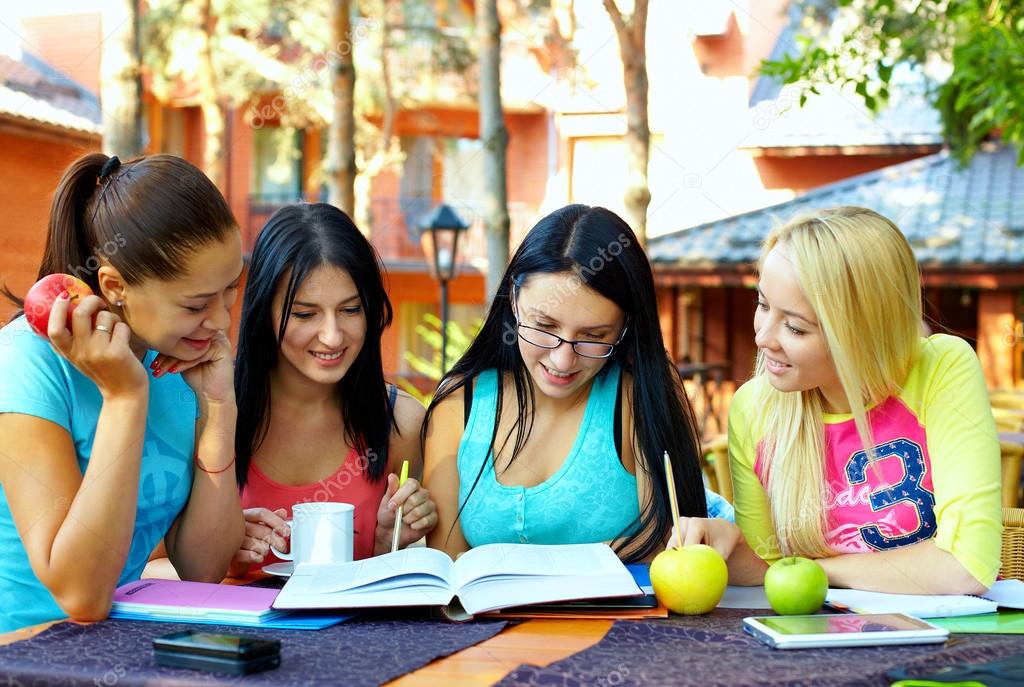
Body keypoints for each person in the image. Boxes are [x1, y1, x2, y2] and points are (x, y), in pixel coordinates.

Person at [677, 206, 1001, 594]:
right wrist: (728, 546)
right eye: (762, 305)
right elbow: (771, 573)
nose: (763, 337)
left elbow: (967, 568)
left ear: (860, 334)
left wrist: (818, 570)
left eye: (795, 327)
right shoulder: (754, 408)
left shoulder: (942, 368)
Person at [0, 153, 246, 632]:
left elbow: (204, 568)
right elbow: (82, 596)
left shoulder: (175, 359)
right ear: (115, 286)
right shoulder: (26, 366)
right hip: (21, 654)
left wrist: (219, 409)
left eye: (230, 290)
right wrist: (125, 398)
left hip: (118, 647)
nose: (220, 321)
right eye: (196, 304)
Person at [422, 204, 733, 563]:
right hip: (491, 621)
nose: (562, 360)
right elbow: (448, 576)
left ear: (626, 326)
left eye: (593, 336)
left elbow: (673, 549)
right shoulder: (459, 403)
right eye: (544, 327)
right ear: (514, 300)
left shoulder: (639, 394)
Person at [229, 203, 436, 574]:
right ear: (264, 313)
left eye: (351, 310)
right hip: (233, 632)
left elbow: (385, 592)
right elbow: (142, 571)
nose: (332, 336)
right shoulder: (211, 411)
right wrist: (219, 555)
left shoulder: (401, 423)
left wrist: (384, 543)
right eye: (305, 314)